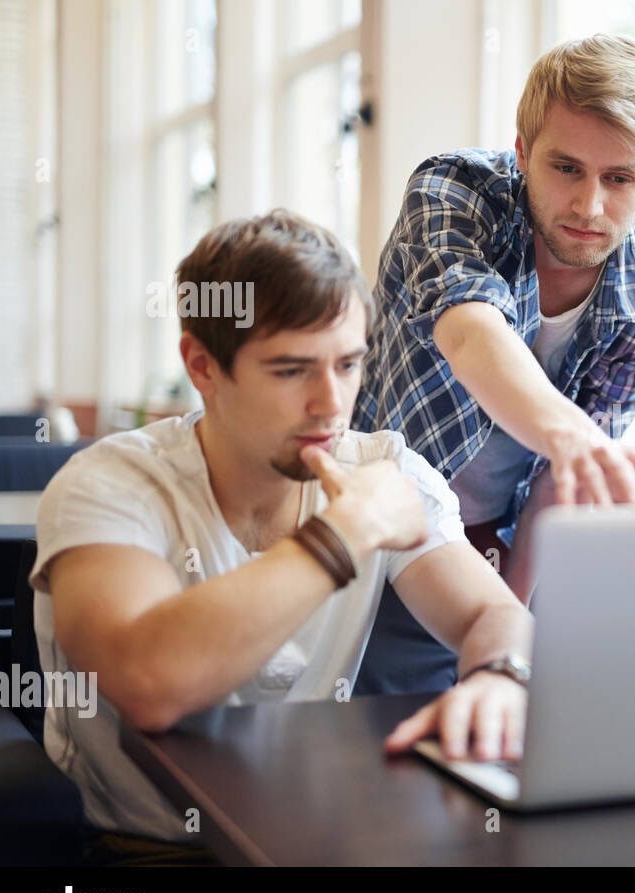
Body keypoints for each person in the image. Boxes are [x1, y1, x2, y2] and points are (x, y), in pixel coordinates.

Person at [31, 210, 531, 857]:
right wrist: (346, 530)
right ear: (203, 366)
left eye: (348, 365)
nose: (331, 403)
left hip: (315, 835)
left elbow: (491, 612)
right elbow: (150, 685)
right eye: (292, 370)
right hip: (147, 854)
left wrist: (499, 675)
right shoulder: (106, 484)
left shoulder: (382, 468)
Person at [352, 33, 635, 689]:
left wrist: (506, 623)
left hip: (498, 540)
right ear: (522, 151)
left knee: (494, 737)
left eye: (619, 178)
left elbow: (554, 486)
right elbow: (469, 333)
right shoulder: (450, 191)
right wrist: (577, 438)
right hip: (376, 521)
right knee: (365, 749)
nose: (589, 207)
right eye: (566, 168)